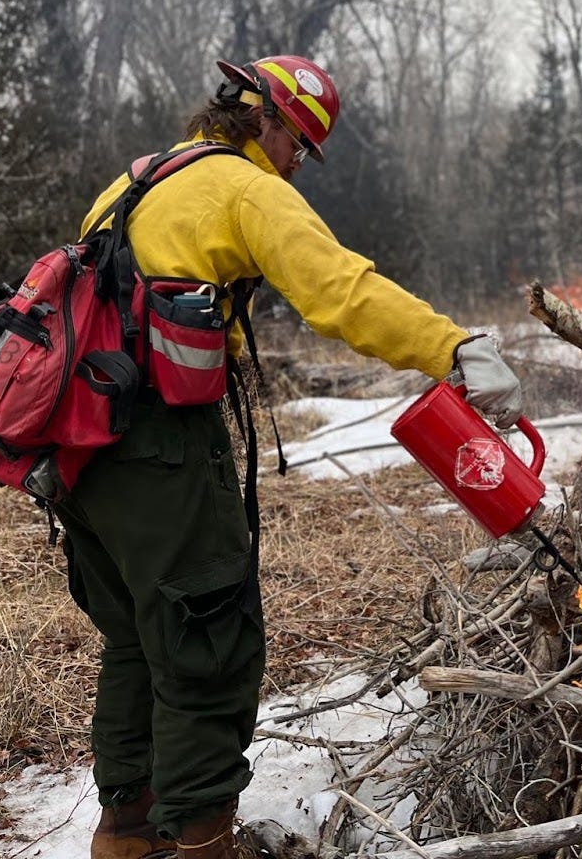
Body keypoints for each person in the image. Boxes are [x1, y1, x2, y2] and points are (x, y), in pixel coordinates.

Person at [68, 56, 523, 859]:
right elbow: (340, 291)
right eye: (300, 148)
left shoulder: (138, 177)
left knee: (139, 639)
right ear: (268, 121)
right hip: (160, 447)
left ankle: (125, 838)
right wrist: (454, 346)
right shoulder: (245, 190)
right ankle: (204, 843)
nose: (296, 166)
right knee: (209, 643)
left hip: (80, 448)